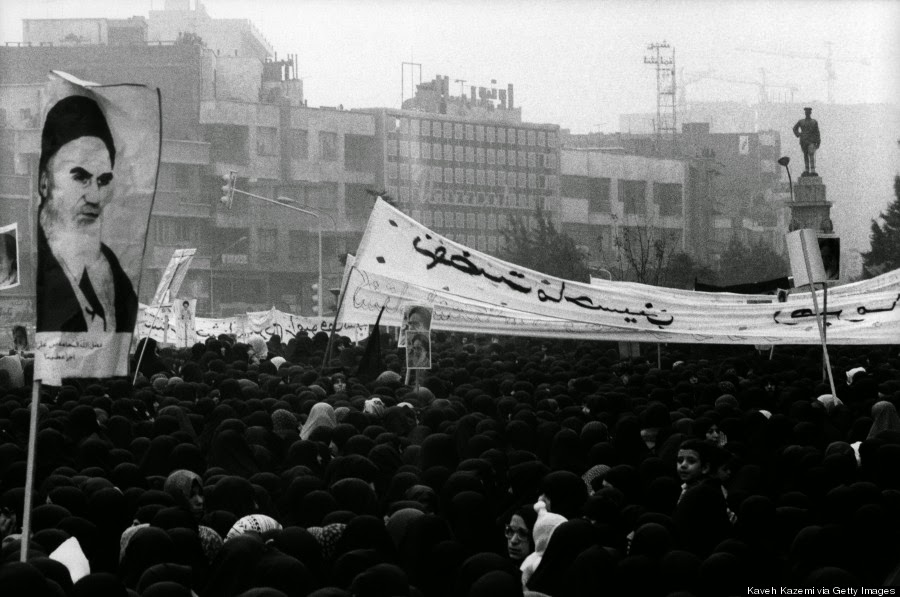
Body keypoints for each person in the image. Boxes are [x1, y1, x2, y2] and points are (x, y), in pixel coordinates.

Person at [36, 94, 137, 333]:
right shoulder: (38, 269)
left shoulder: (117, 279)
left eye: (103, 181)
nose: (94, 197)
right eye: (80, 177)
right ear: (44, 182)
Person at [792, 107, 821, 176]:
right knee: (805, 155)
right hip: (803, 141)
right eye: (806, 112)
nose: (807, 113)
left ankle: (813, 170)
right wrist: (798, 134)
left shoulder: (814, 122)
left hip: (811, 141)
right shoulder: (801, 121)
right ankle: (807, 169)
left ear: (810, 113)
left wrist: (818, 141)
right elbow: (794, 128)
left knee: (811, 154)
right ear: (805, 113)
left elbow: (817, 132)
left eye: (808, 112)